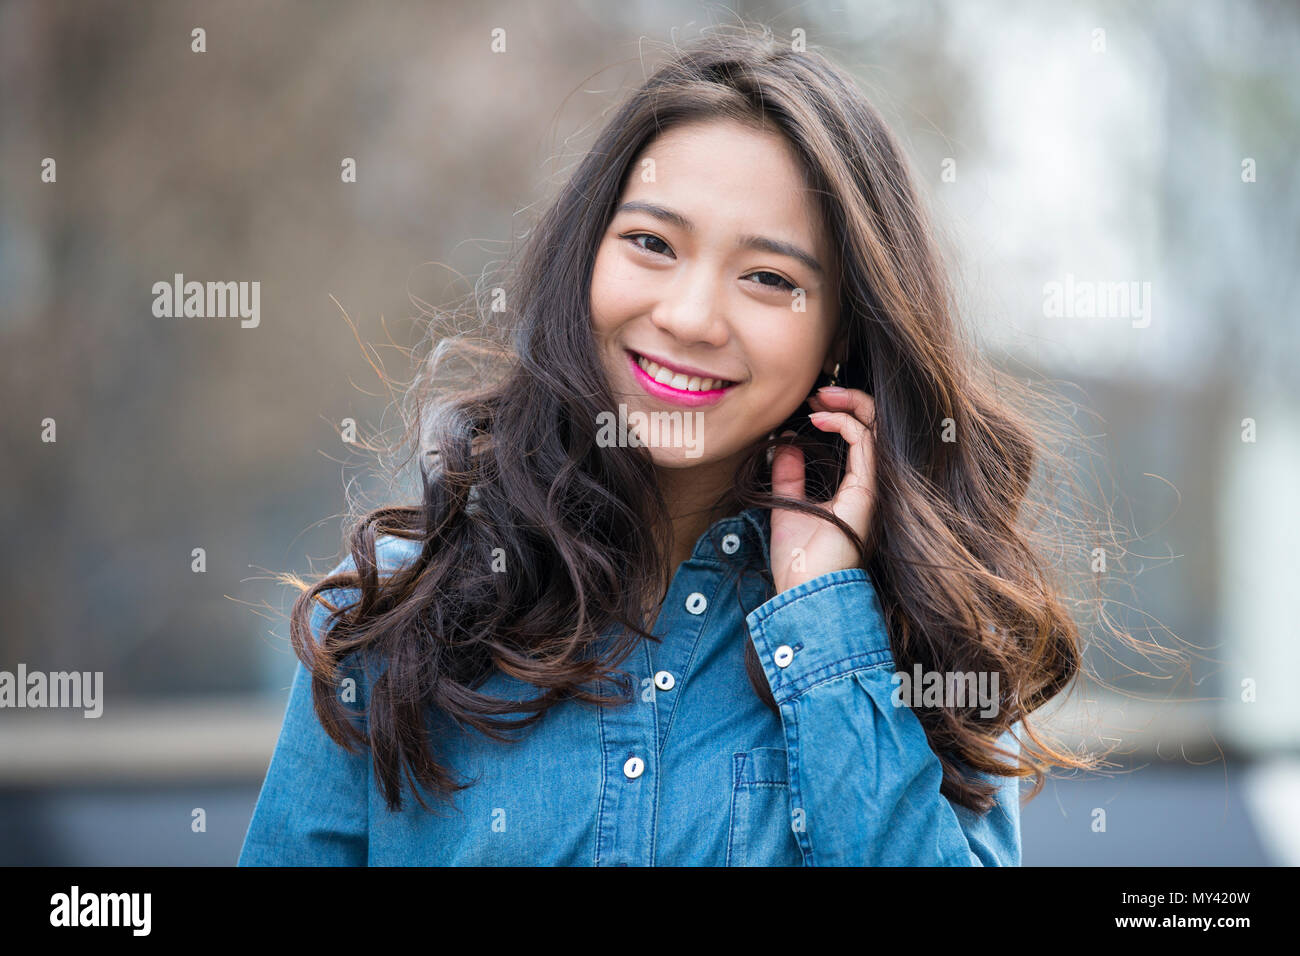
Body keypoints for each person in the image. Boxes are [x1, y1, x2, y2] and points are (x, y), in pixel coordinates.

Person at [238, 28, 1095, 866]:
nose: (688, 316)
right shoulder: (398, 615)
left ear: (840, 335)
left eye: (769, 278)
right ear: (587, 263)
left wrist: (828, 618)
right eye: (652, 243)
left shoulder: (922, 634)